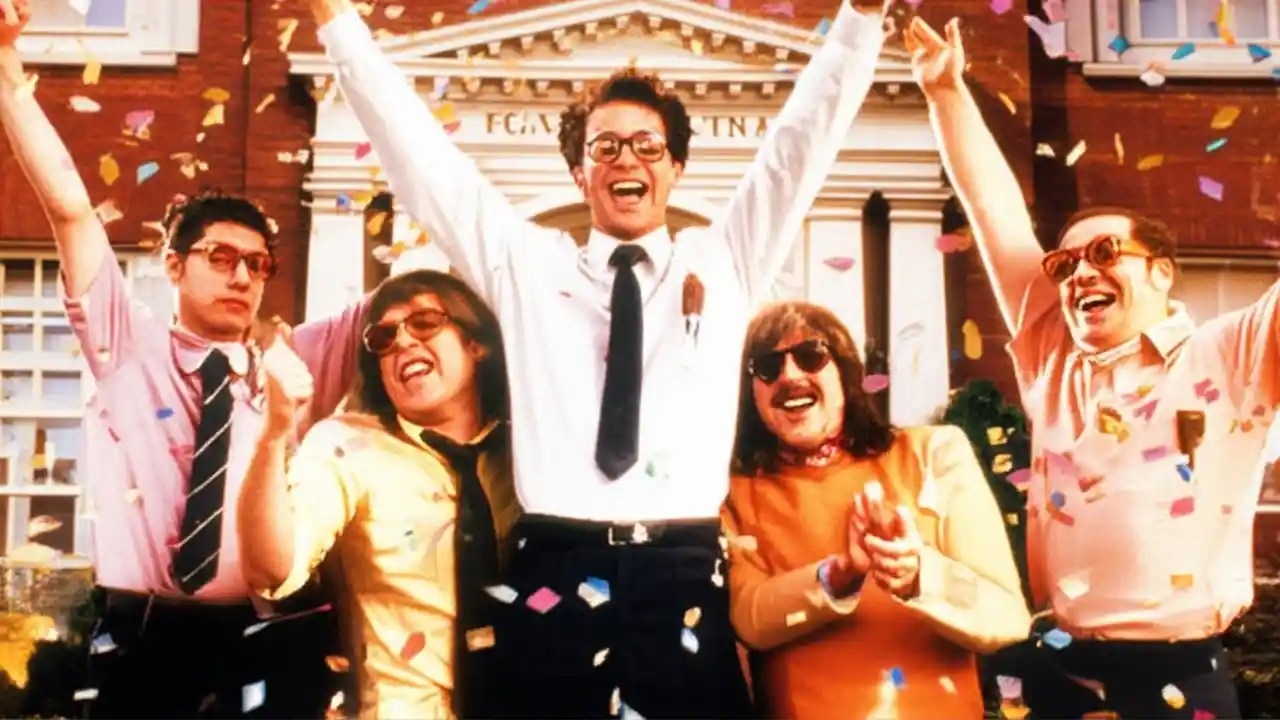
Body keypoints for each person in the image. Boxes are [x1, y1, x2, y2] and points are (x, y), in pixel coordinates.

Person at [306, 0, 891, 715]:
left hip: (681, 572)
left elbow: (801, 143)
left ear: (675, 167)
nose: (626, 160)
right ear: (579, 174)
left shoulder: (726, 259)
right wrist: (340, 25)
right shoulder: (524, 264)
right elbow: (423, 161)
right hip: (556, 566)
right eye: (604, 147)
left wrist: (860, 18)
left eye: (647, 146)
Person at [907, 15, 1280, 719]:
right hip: (1059, 671)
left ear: (1164, 274)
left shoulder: (1231, 353)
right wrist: (946, 92)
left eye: (1107, 253)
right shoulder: (1051, 350)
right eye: (1066, 263)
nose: (1080, 272)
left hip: (1177, 678)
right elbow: (996, 217)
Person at [0, 2, 366, 716]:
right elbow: (72, 211)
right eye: (221, 257)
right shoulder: (127, 345)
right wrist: (10, 76)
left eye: (257, 265)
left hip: (265, 634)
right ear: (172, 264)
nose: (241, 277)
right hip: (144, 634)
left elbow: (411, 292)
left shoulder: (299, 359)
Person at [722, 301, 1029, 719]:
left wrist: (917, 573)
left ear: (846, 373)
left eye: (811, 355)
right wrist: (837, 576)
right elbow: (750, 619)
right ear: (752, 390)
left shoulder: (932, 453)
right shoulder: (733, 490)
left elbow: (1007, 617)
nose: (790, 375)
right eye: (767, 366)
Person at [237, 270, 520, 719]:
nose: (403, 342)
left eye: (425, 322)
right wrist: (273, 436)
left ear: (477, 343)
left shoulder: (529, 451)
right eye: (383, 337)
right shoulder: (347, 447)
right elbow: (273, 571)